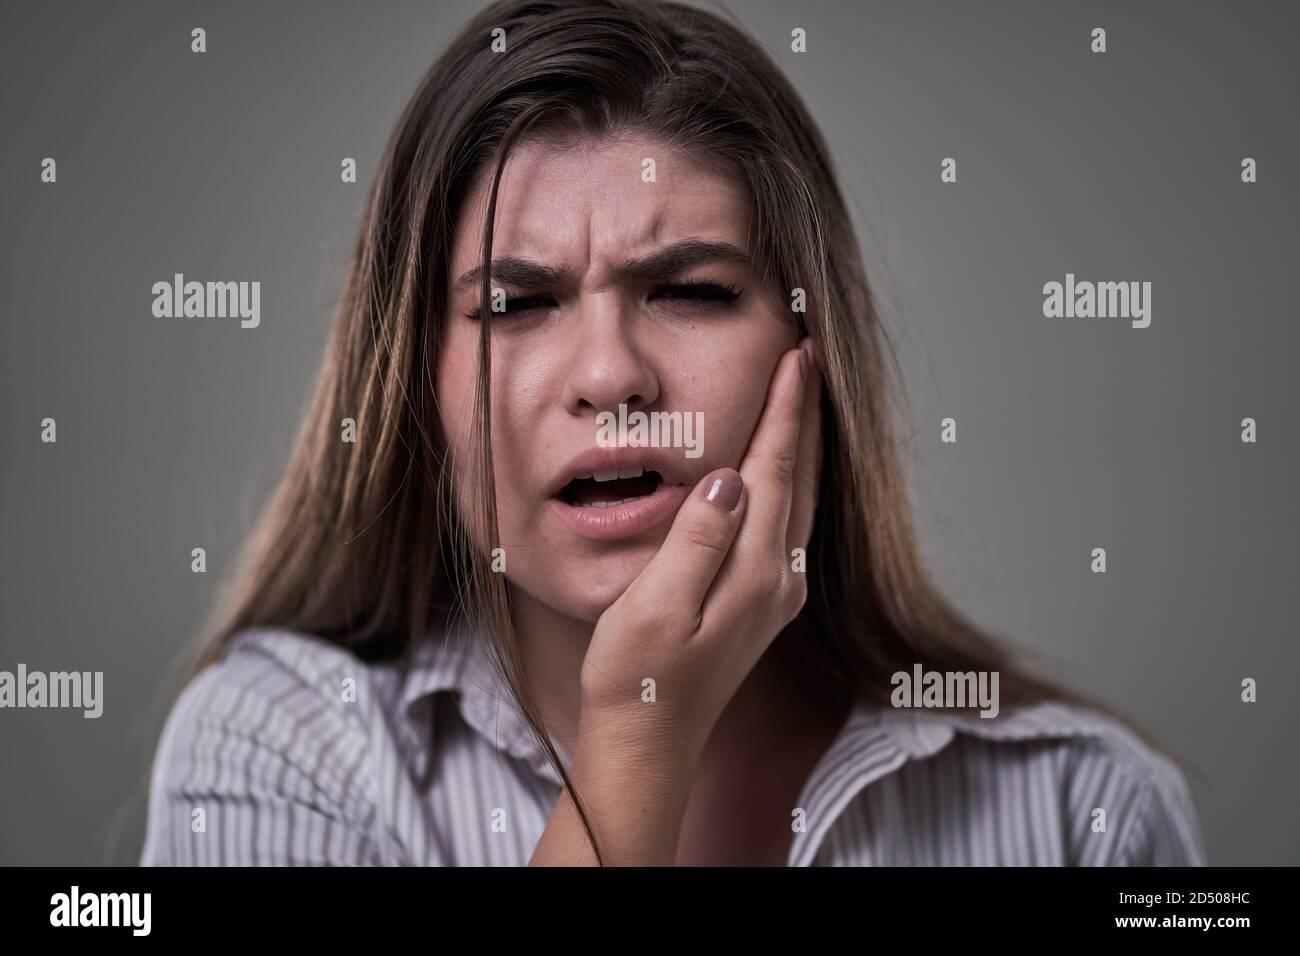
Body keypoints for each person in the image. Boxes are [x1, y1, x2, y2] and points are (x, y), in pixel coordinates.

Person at [140, 0, 1205, 866]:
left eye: (689, 289)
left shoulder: (1084, 810)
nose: (609, 375)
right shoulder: (275, 747)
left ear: (809, 345)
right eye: (516, 305)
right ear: (419, 380)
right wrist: (639, 737)